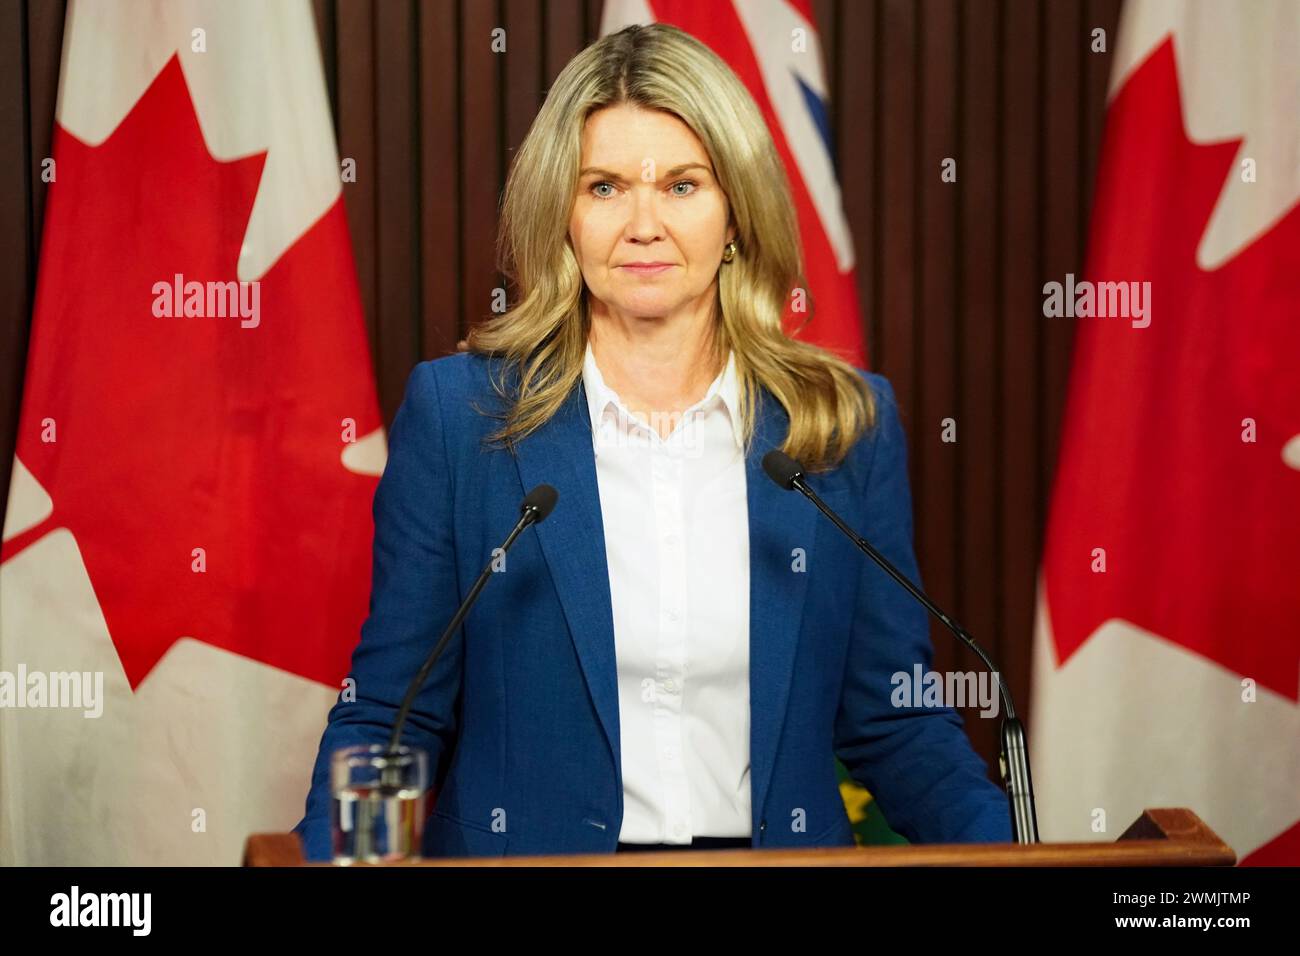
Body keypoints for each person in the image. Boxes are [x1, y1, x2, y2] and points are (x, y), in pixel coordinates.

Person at [294, 22, 1010, 861]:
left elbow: (897, 720)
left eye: (681, 185)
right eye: (603, 187)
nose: (642, 225)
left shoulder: (839, 424)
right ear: (561, 210)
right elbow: (393, 712)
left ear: (736, 209)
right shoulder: (462, 417)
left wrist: (1033, 858)